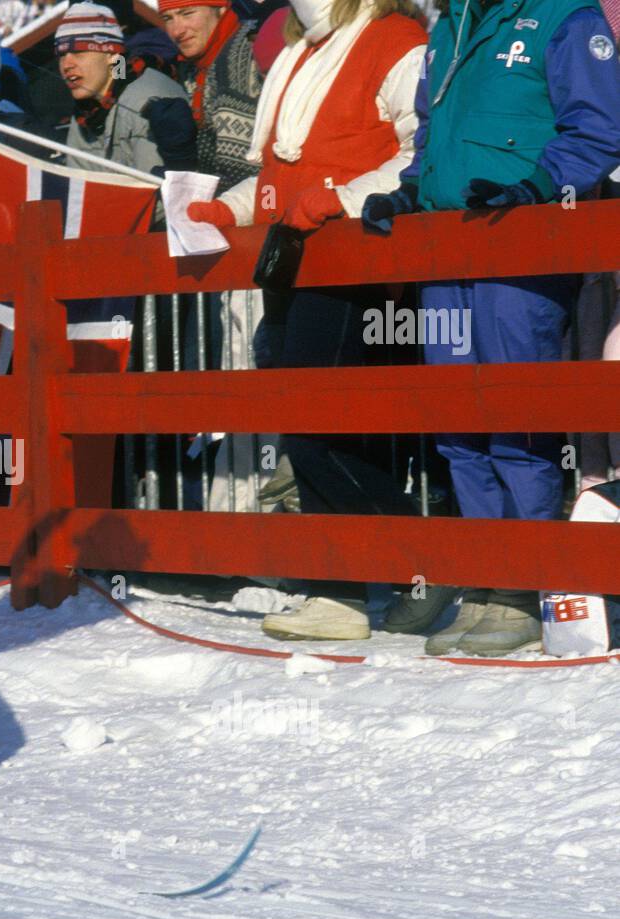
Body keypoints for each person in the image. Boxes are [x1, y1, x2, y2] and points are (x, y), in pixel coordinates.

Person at [362, 0, 620, 656]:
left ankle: (523, 588)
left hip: (519, 244)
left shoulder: (563, 15)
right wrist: (410, 190)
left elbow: (599, 123)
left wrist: (541, 185)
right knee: (457, 424)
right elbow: (432, 131)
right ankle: (486, 577)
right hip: (448, 245)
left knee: (516, 417)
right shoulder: (449, 24)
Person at [187, 0, 428, 641]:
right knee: (323, 432)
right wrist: (230, 210)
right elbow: (280, 174)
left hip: (358, 259)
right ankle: (342, 591)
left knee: (318, 432)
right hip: (293, 258)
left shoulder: (395, 38)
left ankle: (431, 564)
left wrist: (345, 198)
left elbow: (420, 150)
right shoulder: (299, 51)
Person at [57, 3, 194, 179]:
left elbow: (153, 197)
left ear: (111, 55)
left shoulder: (148, 100)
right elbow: (80, 190)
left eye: (79, 53)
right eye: (61, 55)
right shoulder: (85, 113)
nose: (66, 65)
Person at [160, 0, 263, 191]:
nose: (176, 31)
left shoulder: (245, 52)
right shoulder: (194, 65)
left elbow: (242, 171)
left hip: (255, 200)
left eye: (187, 13)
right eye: (168, 18)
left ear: (221, 8)